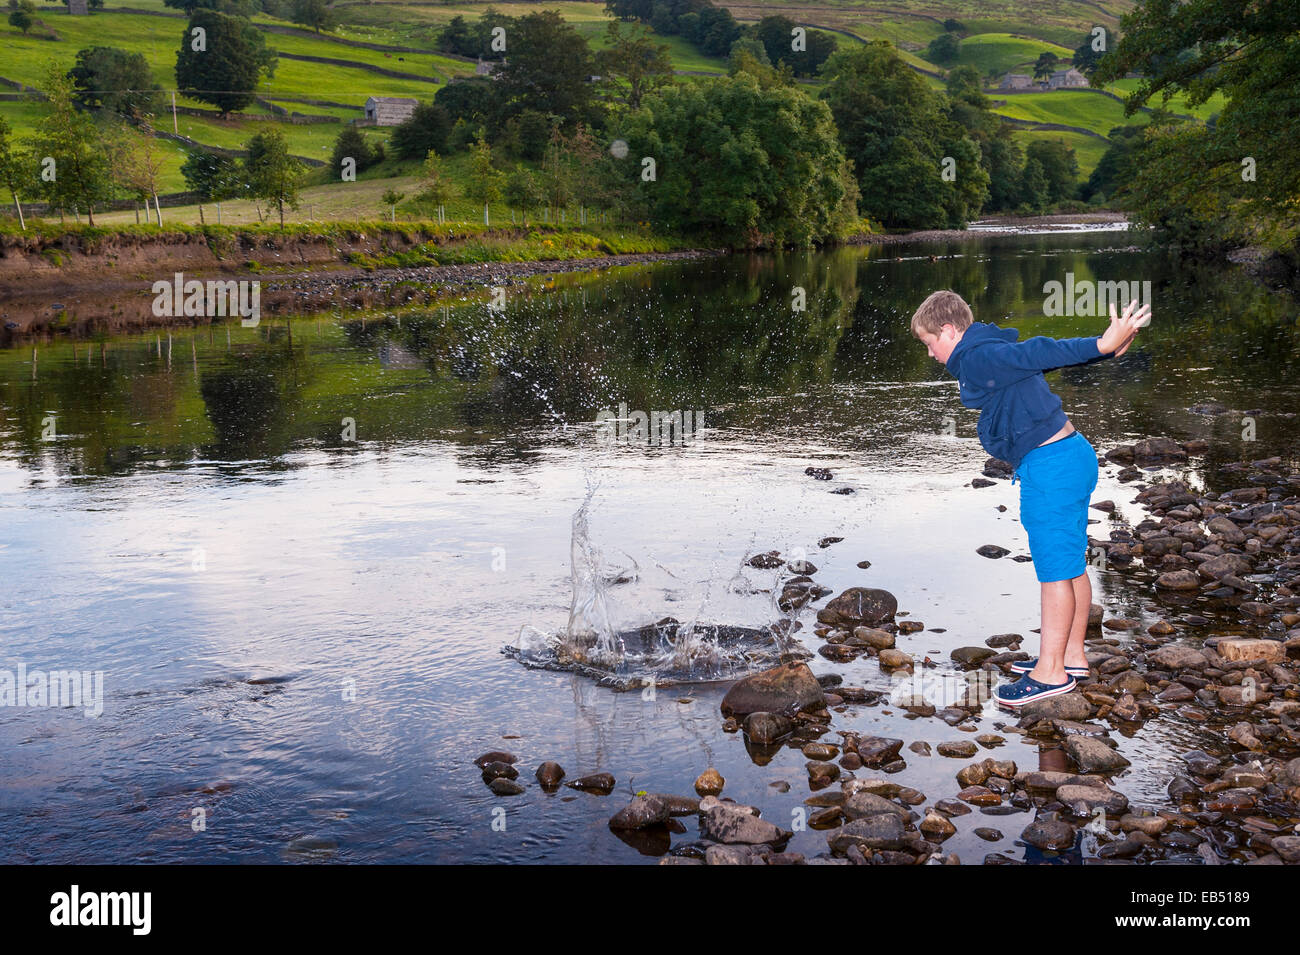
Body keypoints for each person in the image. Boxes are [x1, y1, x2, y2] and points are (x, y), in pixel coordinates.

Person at [910, 290, 1149, 706]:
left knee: (1054, 571)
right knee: (1071, 562)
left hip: (1051, 468)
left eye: (930, 343)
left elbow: (1038, 352)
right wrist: (1105, 353)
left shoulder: (980, 357)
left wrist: (1101, 345)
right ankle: (1071, 656)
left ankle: (1051, 673)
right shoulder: (987, 349)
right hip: (1070, 455)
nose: (931, 354)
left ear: (948, 330)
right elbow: (1029, 359)